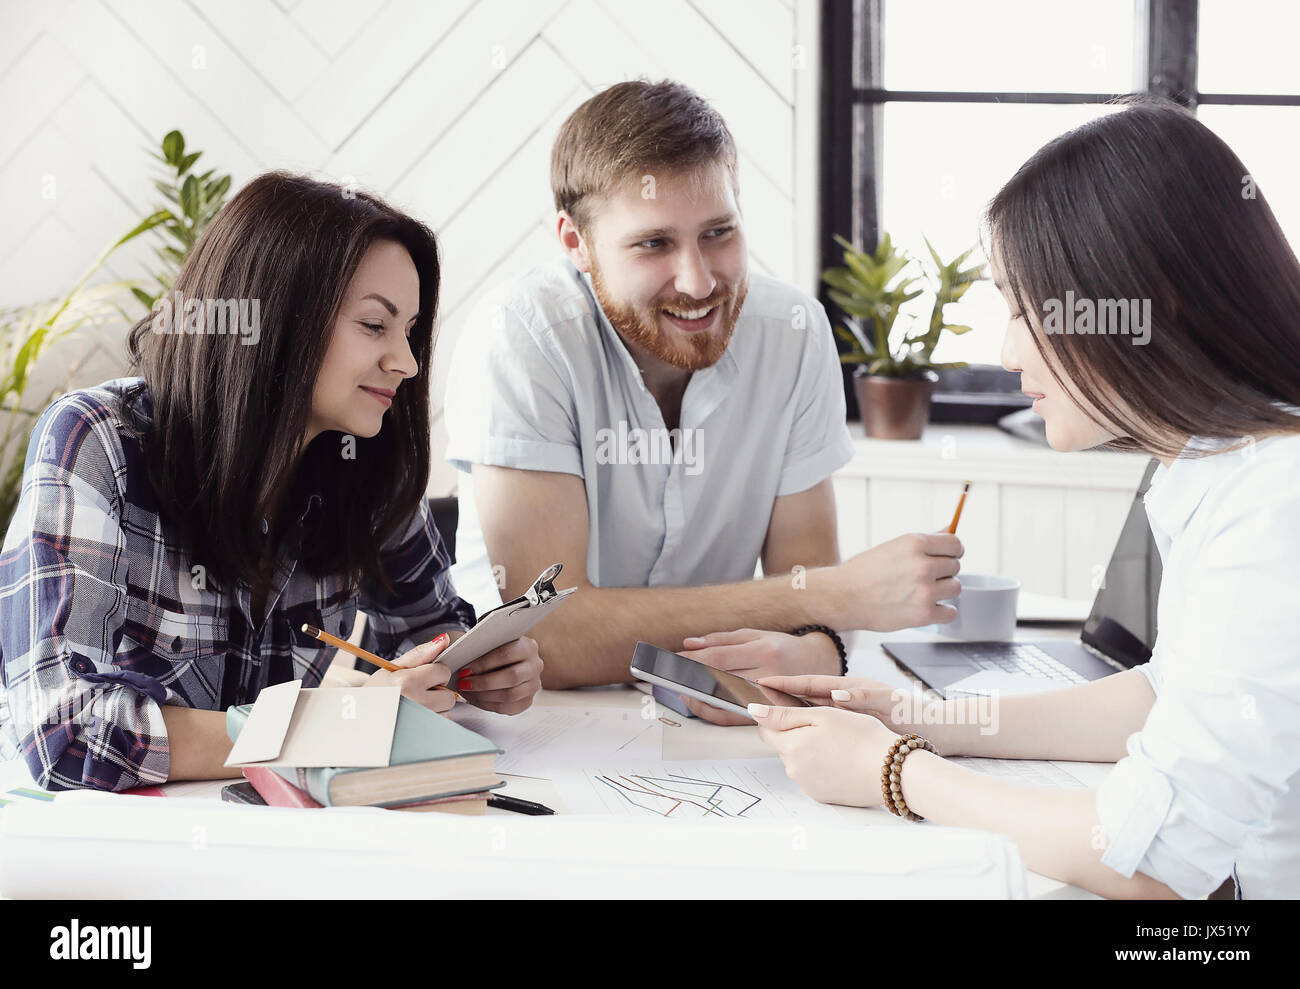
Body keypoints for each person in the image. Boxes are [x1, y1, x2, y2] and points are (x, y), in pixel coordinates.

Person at [750, 95, 1300, 899]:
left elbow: (1154, 863)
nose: (1008, 353)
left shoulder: (1276, 500)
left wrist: (893, 771)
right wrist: (923, 718)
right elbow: (1166, 695)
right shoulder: (1217, 465)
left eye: (1025, 308)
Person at [0, 172, 542, 792]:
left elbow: (428, 627)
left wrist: (477, 666)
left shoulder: (366, 462)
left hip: (274, 825)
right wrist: (335, 723)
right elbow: (66, 734)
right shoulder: (97, 441)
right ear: (276, 321)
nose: (408, 362)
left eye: (410, 332)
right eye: (374, 325)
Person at [443, 79, 964, 704]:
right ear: (576, 243)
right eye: (653, 244)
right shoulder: (522, 333)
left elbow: (815, 614)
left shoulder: (793, 332)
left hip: (707, 716)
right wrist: (835, 595)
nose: (697, 282)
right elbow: (553, 637)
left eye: (718, 233)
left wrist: (811, 652)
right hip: (524, 720)